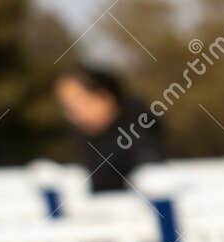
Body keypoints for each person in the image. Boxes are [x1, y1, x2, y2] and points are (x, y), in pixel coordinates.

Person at [54, 65, 163, 194]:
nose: (71, 113)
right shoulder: (82, 141)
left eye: (77, 101)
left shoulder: (141, 135)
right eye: (66, 106)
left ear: (103, 96)